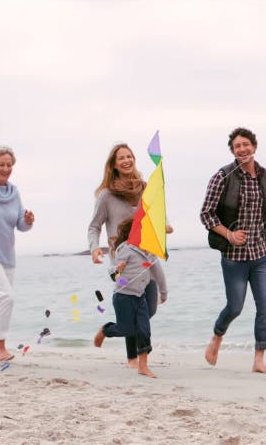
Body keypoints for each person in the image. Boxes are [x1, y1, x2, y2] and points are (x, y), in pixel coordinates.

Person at [200, 126, 266, 373]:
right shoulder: (223, 176)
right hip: (234, 257)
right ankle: (217, 337)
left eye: (246, 144)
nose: (242, 149)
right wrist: (229, 235)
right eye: (237, 146)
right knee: (235, 307)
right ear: (233, 151)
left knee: (265, 305)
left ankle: (259, 359)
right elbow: (206, 214)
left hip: (260, 254)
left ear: (254, 146)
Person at [88, 143, 172, 368]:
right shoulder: (106, 195)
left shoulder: (146, 189)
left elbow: (156, 215)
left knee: (149, 309)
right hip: (123, 263)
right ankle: (133, 358)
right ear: (114, 165)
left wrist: (165, 225)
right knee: (134, 308)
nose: (126, 161)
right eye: (121, 158)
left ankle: (111, 332)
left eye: (129, 156)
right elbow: (94, 226)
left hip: (147, 257)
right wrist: (94, 247)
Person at [0, 146, 35, 362]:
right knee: (5, 297)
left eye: (9, 165)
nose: (5, 168)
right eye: (1, 164)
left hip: (6, 254)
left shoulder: (14, 192)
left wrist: (27, 220)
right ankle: (0, 346)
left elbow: (20, 223)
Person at [94, 217, 167, 378]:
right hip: (123, 297)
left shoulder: (150, 253)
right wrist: (117, 270)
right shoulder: (126, 249)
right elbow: (113, 274)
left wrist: (163, 293)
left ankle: (143, 366)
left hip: (140, 297)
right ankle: (106, 330)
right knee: (126, 329)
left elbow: (158, 274)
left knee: (144, 330)